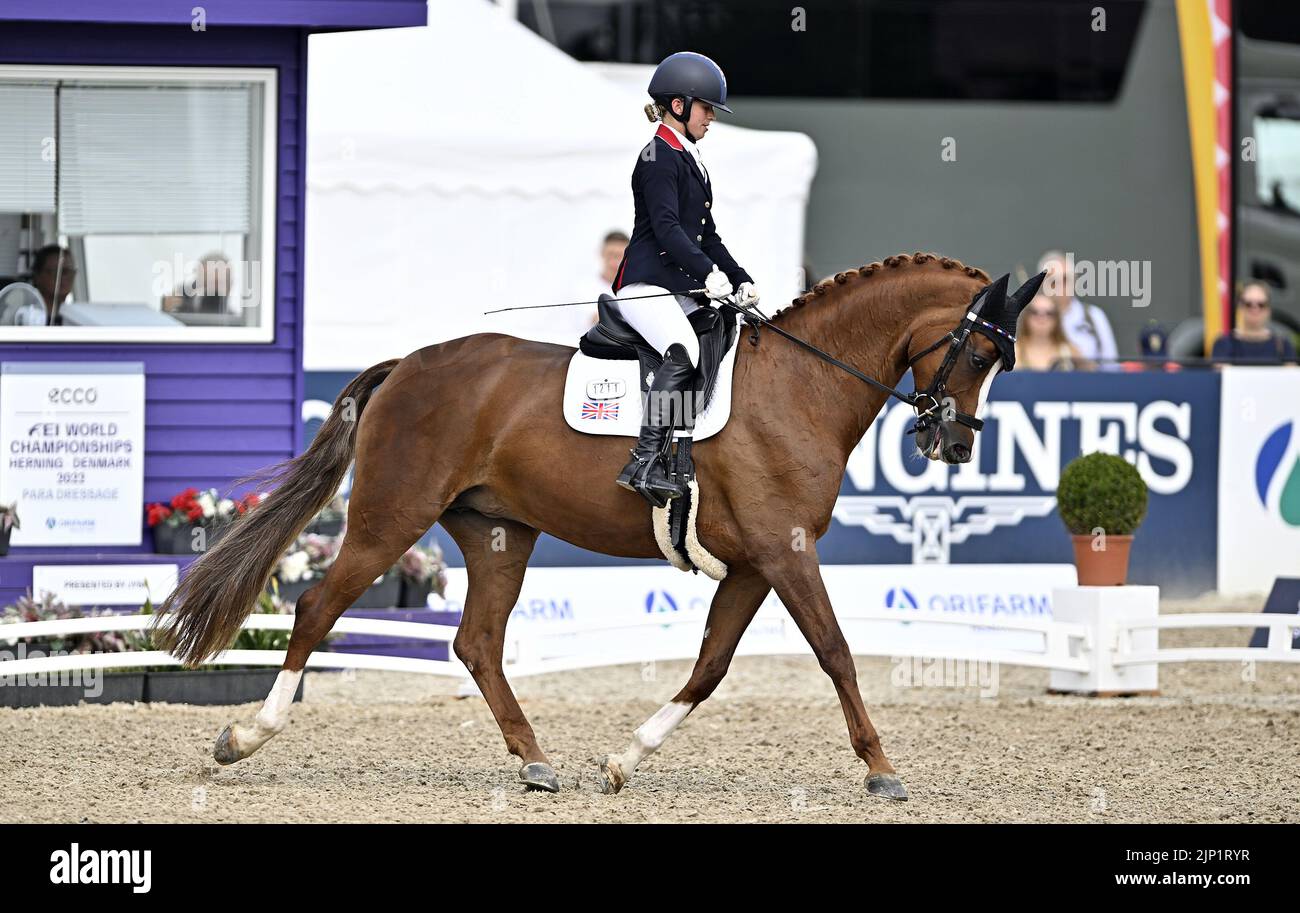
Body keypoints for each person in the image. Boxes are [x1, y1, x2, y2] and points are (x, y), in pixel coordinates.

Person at [609, 51, 758, 507]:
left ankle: (688, 446)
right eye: (706, 108)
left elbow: (705, 234)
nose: (711, 118)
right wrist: (706, 274)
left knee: (720, 329)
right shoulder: (657, 156)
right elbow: (669, 228)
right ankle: (644, 460)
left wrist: (738, 277)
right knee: (682, 350)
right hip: (645, 286)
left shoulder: (689, 158)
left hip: (673, 287)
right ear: (678, 105)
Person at [1037, 250, 1118, 369]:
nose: (1059, 286)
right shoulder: (1030, 319)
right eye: (1052, 281)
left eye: (1065, 279)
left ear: (1074, 280)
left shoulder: (1094, 316)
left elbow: (1112, 367)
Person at [1211, 280, 1298, 365]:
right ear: (1240, 307)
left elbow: (1290, 376)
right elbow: (1221, 374)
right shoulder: (1223, 344)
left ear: (1269, 309)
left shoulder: (1283, 346)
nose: (1255, 309)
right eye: (1248, 304)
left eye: (1261, 304)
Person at [1014, 293, 1090, 371]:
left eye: (1049, 313)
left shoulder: (1070, 352)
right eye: (1035, 312)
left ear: (1056, 318)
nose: (1041, 318)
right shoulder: (1013, 351)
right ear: (1026, 317)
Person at [19, 245, 77, 326]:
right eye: (56, 271)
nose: (64, 277)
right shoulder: (26, 319)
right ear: (37, 276)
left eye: (69, 271)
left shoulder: (77, 322)